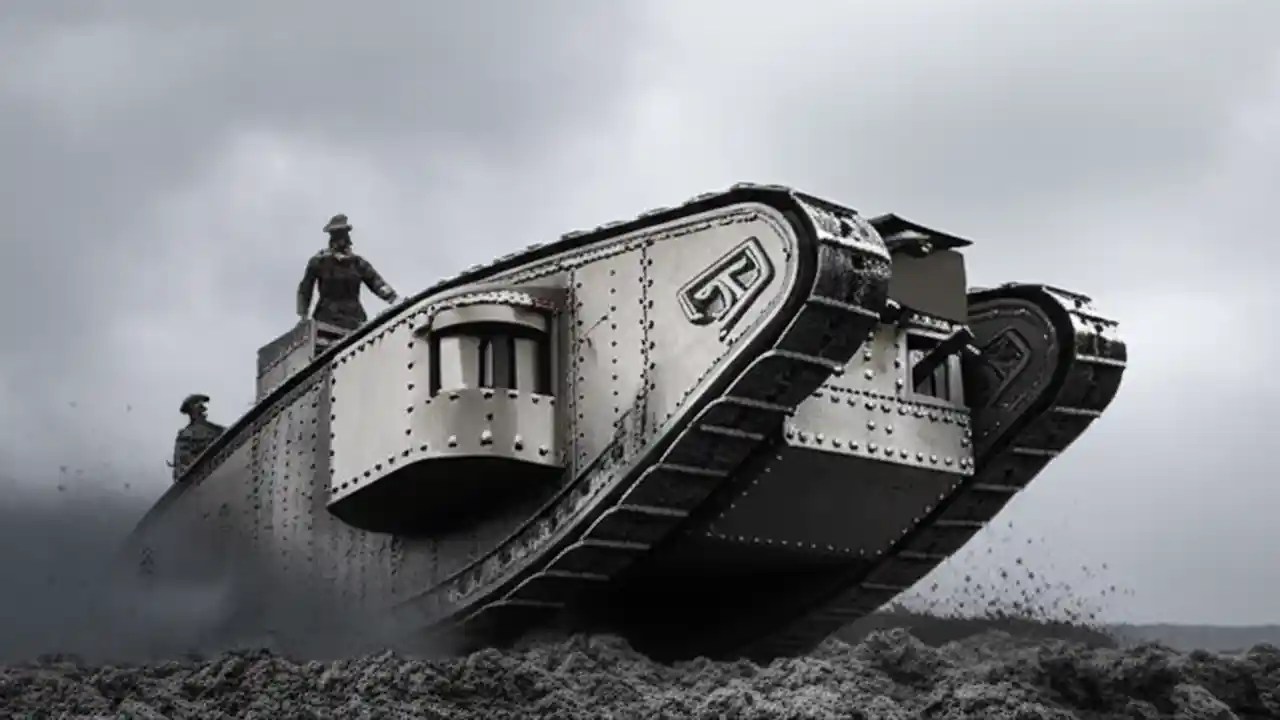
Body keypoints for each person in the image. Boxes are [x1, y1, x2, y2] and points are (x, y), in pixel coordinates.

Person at [296, 213, 401, 332]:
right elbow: (305, 289)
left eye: (343, 234)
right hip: (326, 318)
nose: (341, 239)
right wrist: (303, 315)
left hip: (354, 318)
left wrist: (394, 299)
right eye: (337, 235)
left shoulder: (357, 263)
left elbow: (376, 282)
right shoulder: (320, 262)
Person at [171, 394, 225, 481]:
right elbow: (182, 465)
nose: (204, 409)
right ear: (192, 411)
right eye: (200, 407)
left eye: (203, 407)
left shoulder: (217, 429)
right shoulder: (186, 435)